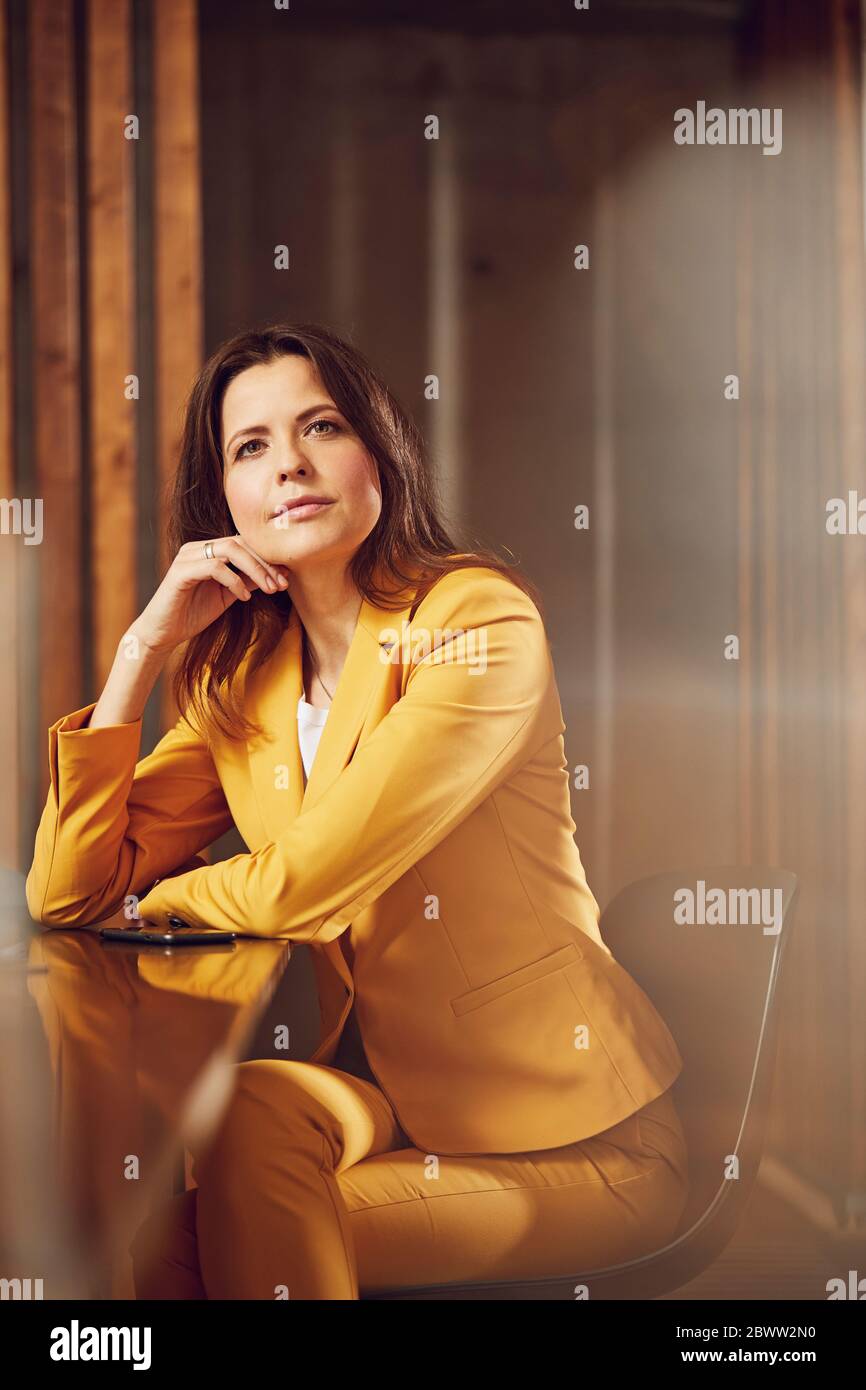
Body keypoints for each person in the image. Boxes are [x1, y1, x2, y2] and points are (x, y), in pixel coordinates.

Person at [26, 323, 689, 1300]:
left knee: (208, 1236)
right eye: (249, 447)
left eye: (320, 426)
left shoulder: (477, 624)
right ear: (225, 501)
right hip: (396, 1104)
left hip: (580, 1143)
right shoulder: (244, 681)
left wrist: (163, 901)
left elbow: (310, 880)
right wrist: (140, 652)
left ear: (378, 453)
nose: (287, 464)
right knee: (224, 1129)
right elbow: (70, 889)